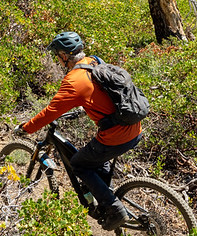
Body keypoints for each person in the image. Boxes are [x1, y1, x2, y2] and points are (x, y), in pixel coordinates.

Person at [15, 31, 142, 231]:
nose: (57, 59)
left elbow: (50, 113)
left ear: (64, 56)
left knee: (79, 164)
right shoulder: (95, 61)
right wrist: (85, 108)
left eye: (57, 55)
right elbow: (102, 93)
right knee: (95, 157)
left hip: (116, 136)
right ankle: (102, 192)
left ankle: (115, 209)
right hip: (134, 128)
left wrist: (26, 128)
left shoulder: (73, 81)